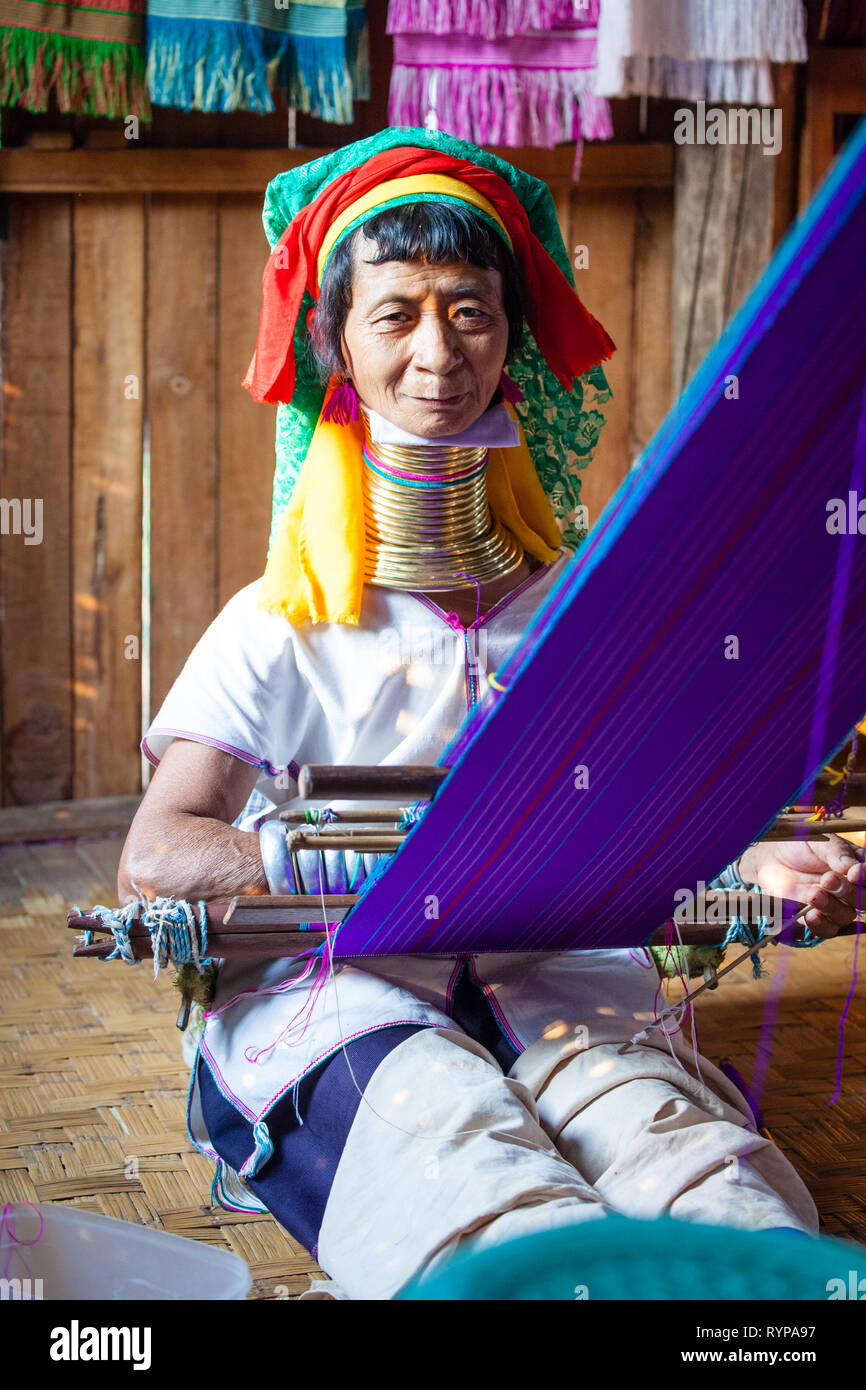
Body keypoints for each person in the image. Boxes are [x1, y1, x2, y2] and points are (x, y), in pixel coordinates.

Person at [118, 129, 864, 1300]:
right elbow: (156, 860)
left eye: (468, 311)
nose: (435, 353)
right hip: (332, 995)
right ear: (334, 343)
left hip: (557, 979)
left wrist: (765, 858)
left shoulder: (579, 609)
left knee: (707, 1191)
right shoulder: (278, 621)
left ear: (510, 334)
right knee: (468, 1182)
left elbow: (647, 798)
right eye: (395, 313)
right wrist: (391, 869)